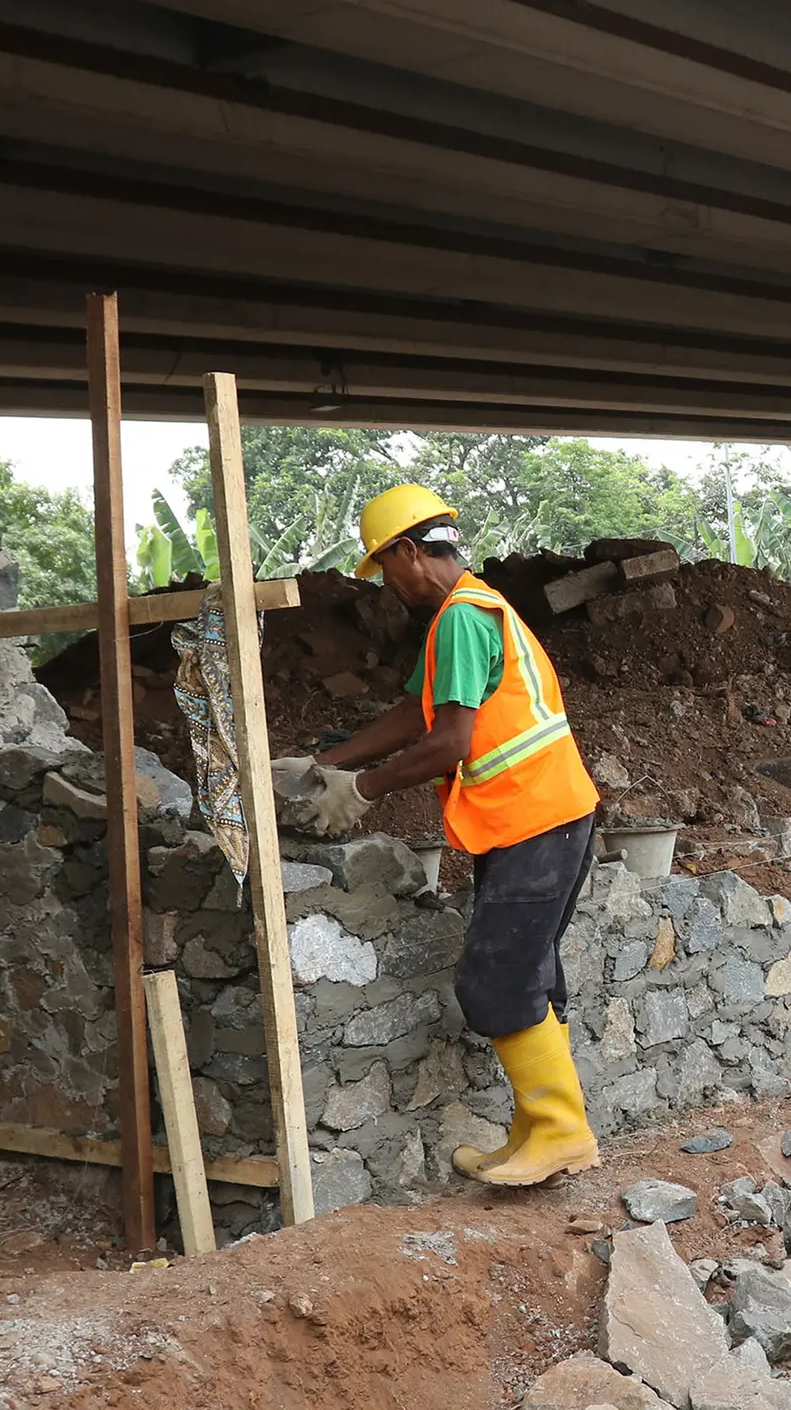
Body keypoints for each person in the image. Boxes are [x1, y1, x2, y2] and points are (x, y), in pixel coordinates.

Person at [276, 485, 603, 1189]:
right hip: (543, 818)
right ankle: (533, 1130)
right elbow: (414, 712)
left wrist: (361, 791)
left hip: (535, 820)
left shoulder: (461, 618)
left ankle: (560, 1132)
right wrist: (329, 763)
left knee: (495, 979)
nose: (386, 585)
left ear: (407, 552)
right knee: (531, 973)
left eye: (383, 568)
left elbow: (448, 742)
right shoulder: (475, 607)